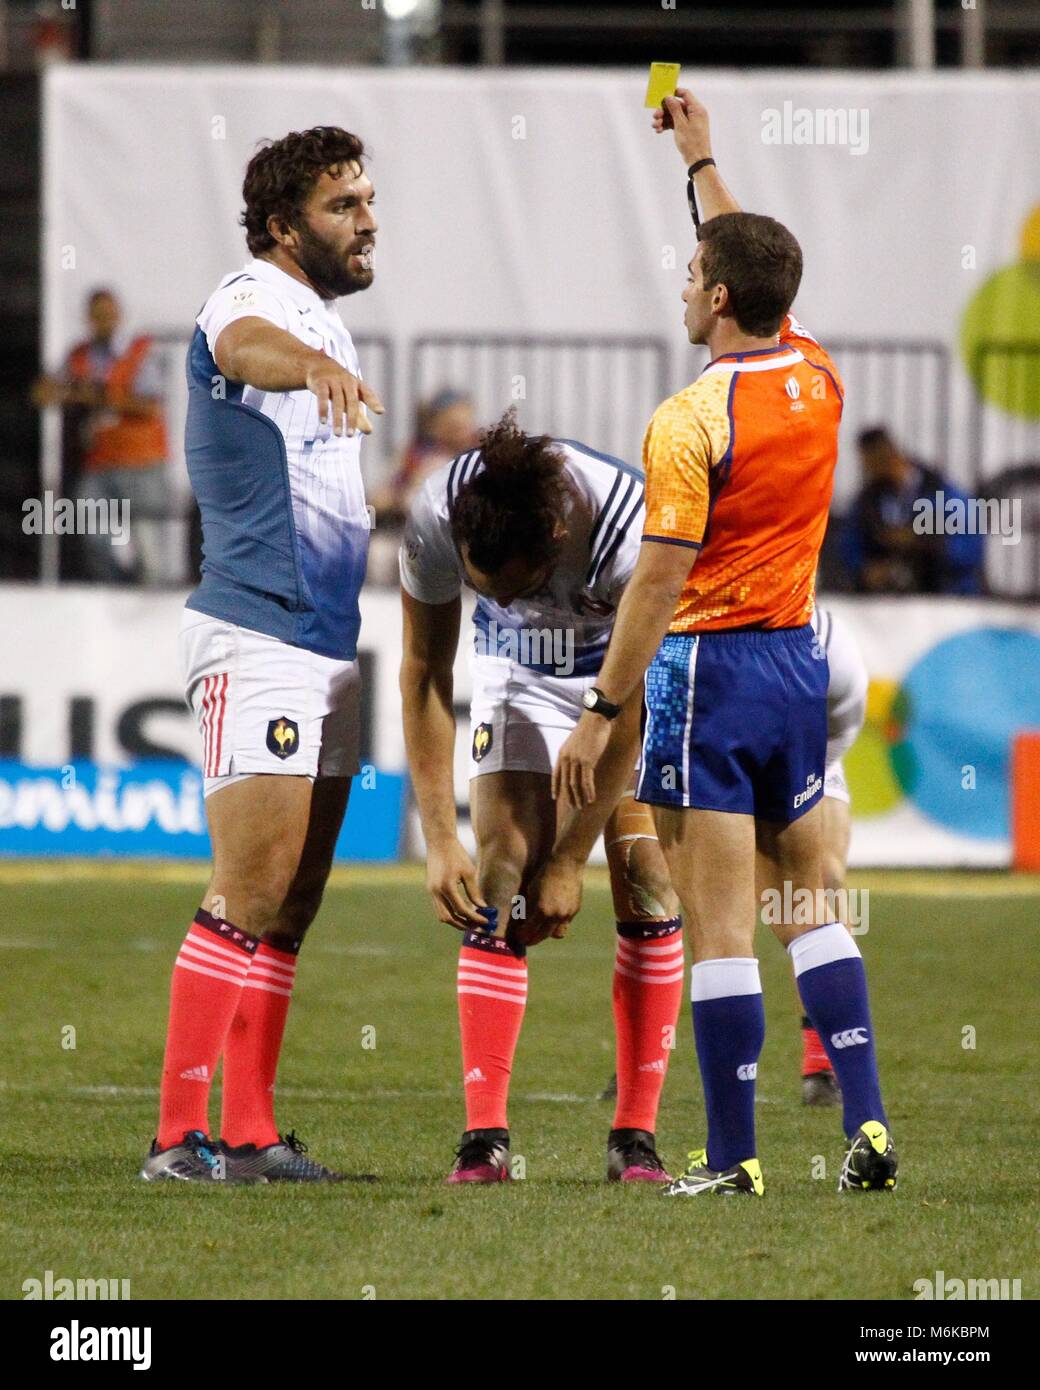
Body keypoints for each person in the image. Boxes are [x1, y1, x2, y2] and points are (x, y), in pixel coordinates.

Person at [549, 88, 896, 1197]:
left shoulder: (688, 418)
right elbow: (755, 260)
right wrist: (702, 162)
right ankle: (868, 1131)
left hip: (707, 672)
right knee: (810, 902)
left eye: (695, 274)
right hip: (796, 659)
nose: (683, 283)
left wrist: (603, 707)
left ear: (717, 298)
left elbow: (655, 578)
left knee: (716, 926)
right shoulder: (814, 373)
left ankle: (733, 1156)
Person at [141, 126, 384, 1183]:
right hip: (258, 631)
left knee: (294, 898)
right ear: (284, 226)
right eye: (343, 205)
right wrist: (313, 361)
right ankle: (173, 1137)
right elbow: (243, 348)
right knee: (246, 887)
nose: (367, 218)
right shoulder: (248, 297)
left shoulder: (326, 320)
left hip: (327, 643)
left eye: (368, 200)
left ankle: (247, 1133)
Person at [399, 412, 683, 1184]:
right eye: (488, 590)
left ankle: (636, 1136)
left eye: (519, 588)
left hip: (615, 685)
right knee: (499, 882)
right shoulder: (435, 513)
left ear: (557, 537)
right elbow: (426, 672)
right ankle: (484, 1139)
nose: (511, 600)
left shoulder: (632, 529)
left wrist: (568, 860)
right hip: (517, 679)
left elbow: (629, 705)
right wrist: (438, 837)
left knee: (649, 882)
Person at [32, 287, 170, 583]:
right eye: (97, 316)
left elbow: (152, 406)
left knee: (150, 550)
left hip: (140, 461)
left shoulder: (140, 352)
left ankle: (152, 611)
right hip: (100, 462)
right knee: (94, 534)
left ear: (118, 315)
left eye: (108, 315)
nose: (103, 321)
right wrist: (68, 391)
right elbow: (43, 393)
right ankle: (117, 597)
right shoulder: (80, 356)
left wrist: (99, 396)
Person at [842, 426, 984, 594]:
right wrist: (866, 570)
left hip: (945, 596)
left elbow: (970, 549)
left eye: (868, 463)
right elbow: (850, 544)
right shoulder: (868, 501)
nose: (866, 470)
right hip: (885, 600)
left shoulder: (943, 494)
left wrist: (924, 541)